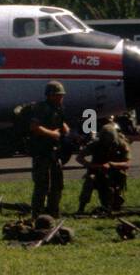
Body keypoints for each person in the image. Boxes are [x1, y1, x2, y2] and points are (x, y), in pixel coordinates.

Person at [28, 81, 70, 218]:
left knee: (58, 184)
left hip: (54, 152)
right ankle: (37, 214)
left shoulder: (59, 108)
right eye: (58, 95)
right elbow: (34, 127)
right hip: (42, 152)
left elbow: (61, 122)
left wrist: (66, 130)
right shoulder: (41, 108)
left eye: (61, 95)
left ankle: (54, 211)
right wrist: (52, 134)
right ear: (50, 95)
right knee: (42, 185)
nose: (61, 98)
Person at [76, 121, 132, 214]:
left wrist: (112, 164)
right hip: (97, 172)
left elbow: (127, 164)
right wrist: (95, 166)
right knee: (90, 180)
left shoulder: (122, 145)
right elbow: (79, 158)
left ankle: (111, 203)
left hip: (114, 174)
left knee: (112, 202)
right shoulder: (95, 145)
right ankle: (81, 207)